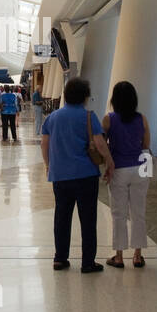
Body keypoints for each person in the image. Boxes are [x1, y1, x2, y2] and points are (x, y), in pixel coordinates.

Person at [41, 77, 113, 272]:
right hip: (85, 176)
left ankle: (60, 258)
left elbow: (44, 144)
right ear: (85, 97)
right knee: (88, 219)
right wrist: (110, 162)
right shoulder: (88, 117)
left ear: (66, 95)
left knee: (62, 217)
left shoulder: (52, 117)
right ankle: (88, 262)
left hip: (60, 176)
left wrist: (48, 165)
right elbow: (99, 143)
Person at [102, 81, 151, 268]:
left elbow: (102, 144)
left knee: (119, 213)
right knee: (139, 212)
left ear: (114, 99)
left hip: (119, 169)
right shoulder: (142, 119)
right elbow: (146, 145)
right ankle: (137, 255)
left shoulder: (109, 119)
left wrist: (108, 162)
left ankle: (119, 256)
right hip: (140, 169)